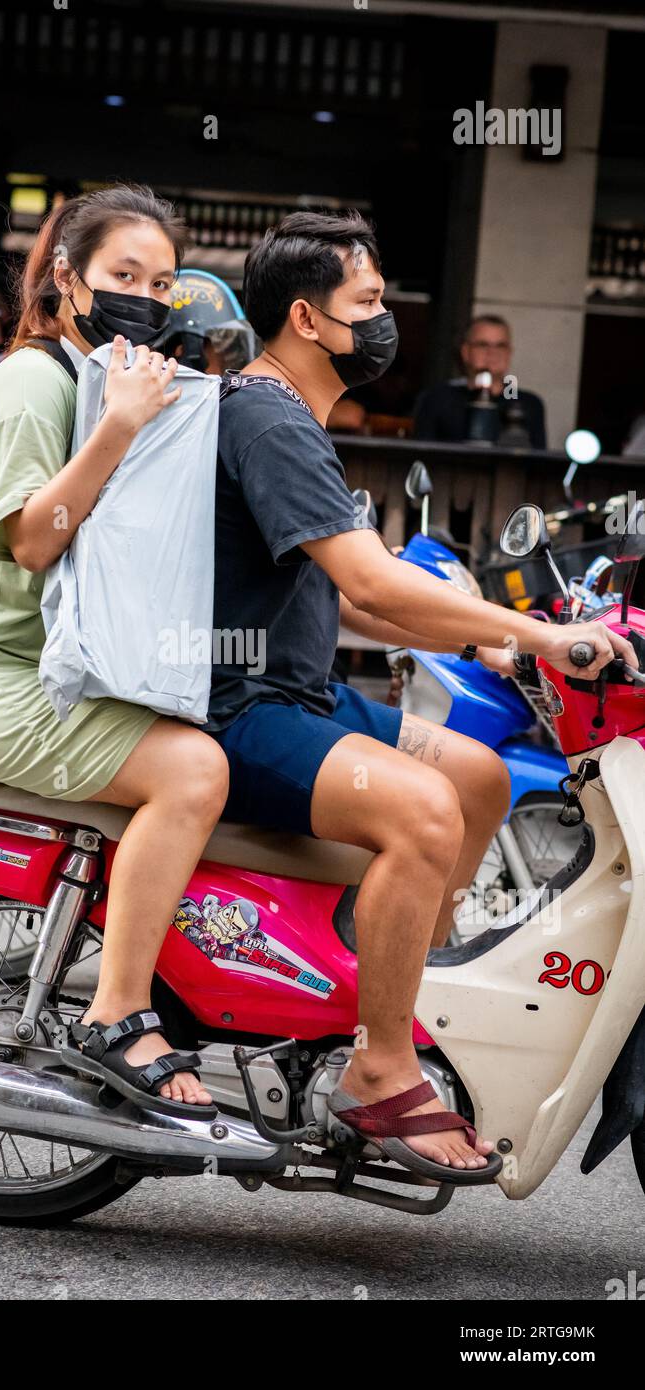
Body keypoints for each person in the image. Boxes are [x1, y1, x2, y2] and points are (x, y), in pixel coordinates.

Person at [203, 211, 635, 1180]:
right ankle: (379, 1064)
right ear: (308, 319)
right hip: (238, 708)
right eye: (368, 302)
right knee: (428, 814)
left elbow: (358, 600)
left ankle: (396, 994)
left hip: (297, 691)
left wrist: (489, 637)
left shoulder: (286, 413)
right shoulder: (269, 416)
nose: (384, 318)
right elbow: (371, 582)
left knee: (479, 776)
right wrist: (535, 634)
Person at [0, 184, 230, 1109]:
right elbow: (36, 538)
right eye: (123, 275)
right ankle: (116, 1013)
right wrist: (124, 425)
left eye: (163, 284)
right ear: (64, 278)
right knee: (192, 773)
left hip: (48, 669)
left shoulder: (97, 380)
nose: (146, 298)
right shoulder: (33, 384)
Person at [414, 314, 547, 448]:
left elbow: (538, 462)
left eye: (500, 346)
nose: (492, 352)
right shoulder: (437, 399)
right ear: (466, 352)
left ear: (509, 353)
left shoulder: (527, 404)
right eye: (483, 345)